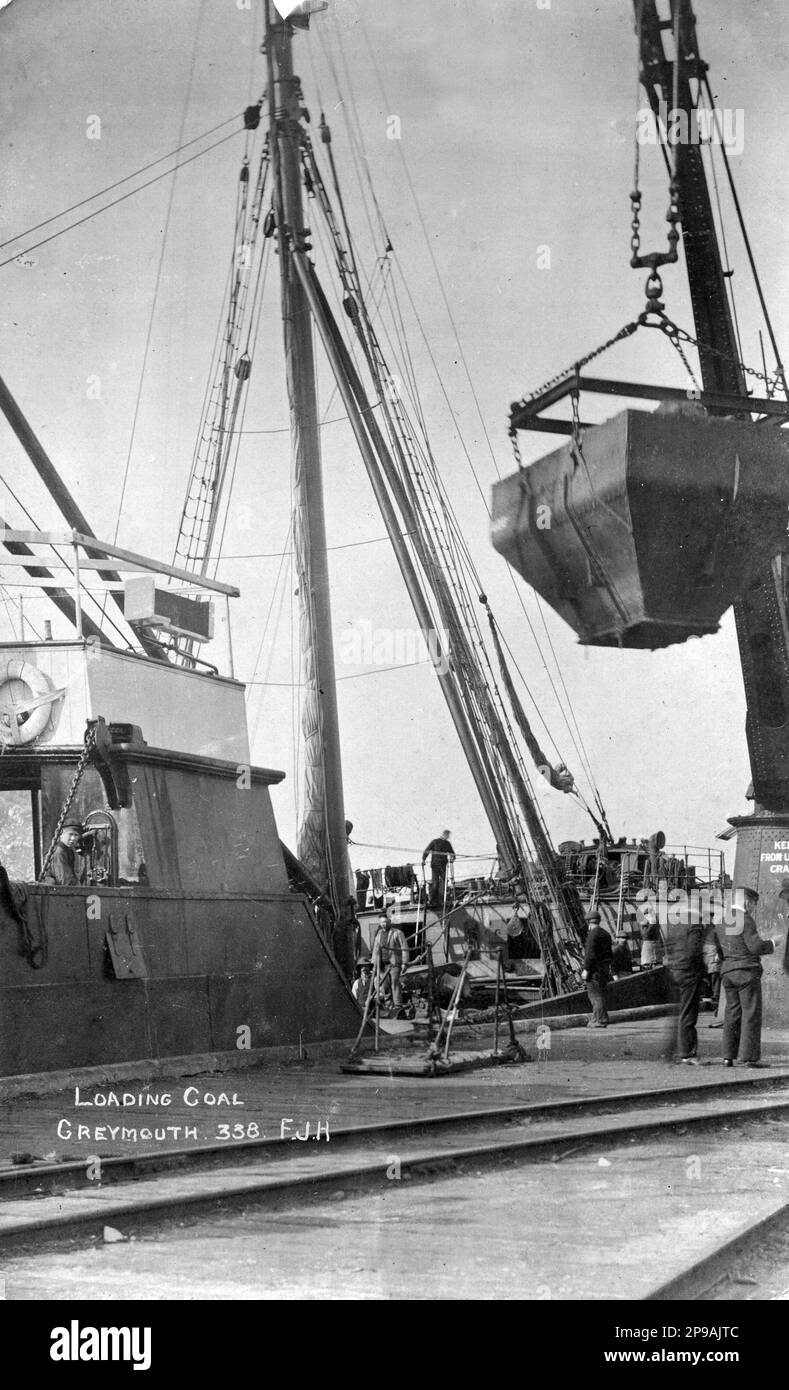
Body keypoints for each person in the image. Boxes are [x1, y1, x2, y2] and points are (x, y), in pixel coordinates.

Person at [714, 886, 775, 1068]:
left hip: (728, 972)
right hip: (746, 972)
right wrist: (773, 943)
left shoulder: (722, 920)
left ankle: (728, 1056)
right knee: (750, 1013)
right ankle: (749, 1058)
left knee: (732, 1013)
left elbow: (719, 949)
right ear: (747, 901)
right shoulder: (746, 920)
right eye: (753, 904)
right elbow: (755, 947)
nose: (753, 908)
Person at [664, 910, 705, 1063]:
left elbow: (668, 948)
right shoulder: (695, 926)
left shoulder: (675, 927)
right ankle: (688, 1053)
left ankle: (679, 1051)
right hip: (689, 972)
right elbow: (694, 952)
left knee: (681, 1011)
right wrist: (700, 971)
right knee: (689, 1013)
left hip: (676, 971)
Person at [581, 910, 613, 1028]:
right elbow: (610, 954)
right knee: (601, 994)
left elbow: (590, 954)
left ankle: (600, 1020)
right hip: (604, 969)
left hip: (594, 970)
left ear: (589, 922)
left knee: (595, 996)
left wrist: (586, 969)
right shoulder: (606, 934)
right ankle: (597, 1018)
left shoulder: (592, 935)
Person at [372, 911, 410, 1009]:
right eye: (382, 922)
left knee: (395, 983)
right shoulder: (379, 935)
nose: (384, 924)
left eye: (385, 922)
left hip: (394, 964)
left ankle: (397, 1005)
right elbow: (375, 951)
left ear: (389, 921)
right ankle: (389, 1005)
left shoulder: (397, 933)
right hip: (382, 965)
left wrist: (405, 963)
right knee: (385, 986)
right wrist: (374, 965)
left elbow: (404, 948)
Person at [42, 821, 83, 886]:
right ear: (61, 834)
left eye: (76, 835)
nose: (73, 838)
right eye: (70, 834)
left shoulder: (70, 850)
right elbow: (64, 881)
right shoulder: (59, 851)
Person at [422, 830, 455, 908]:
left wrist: (452, 858)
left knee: (443, 884)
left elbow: (452, 852)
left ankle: (441, 901)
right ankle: (433, 901)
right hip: (435, 865)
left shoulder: (447, 844)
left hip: (443, 865)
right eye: (447, 835)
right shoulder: (434, 842)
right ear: (444, 835)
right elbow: (427, 850)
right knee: (435, 883)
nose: (448, 837)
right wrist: (423, 859)